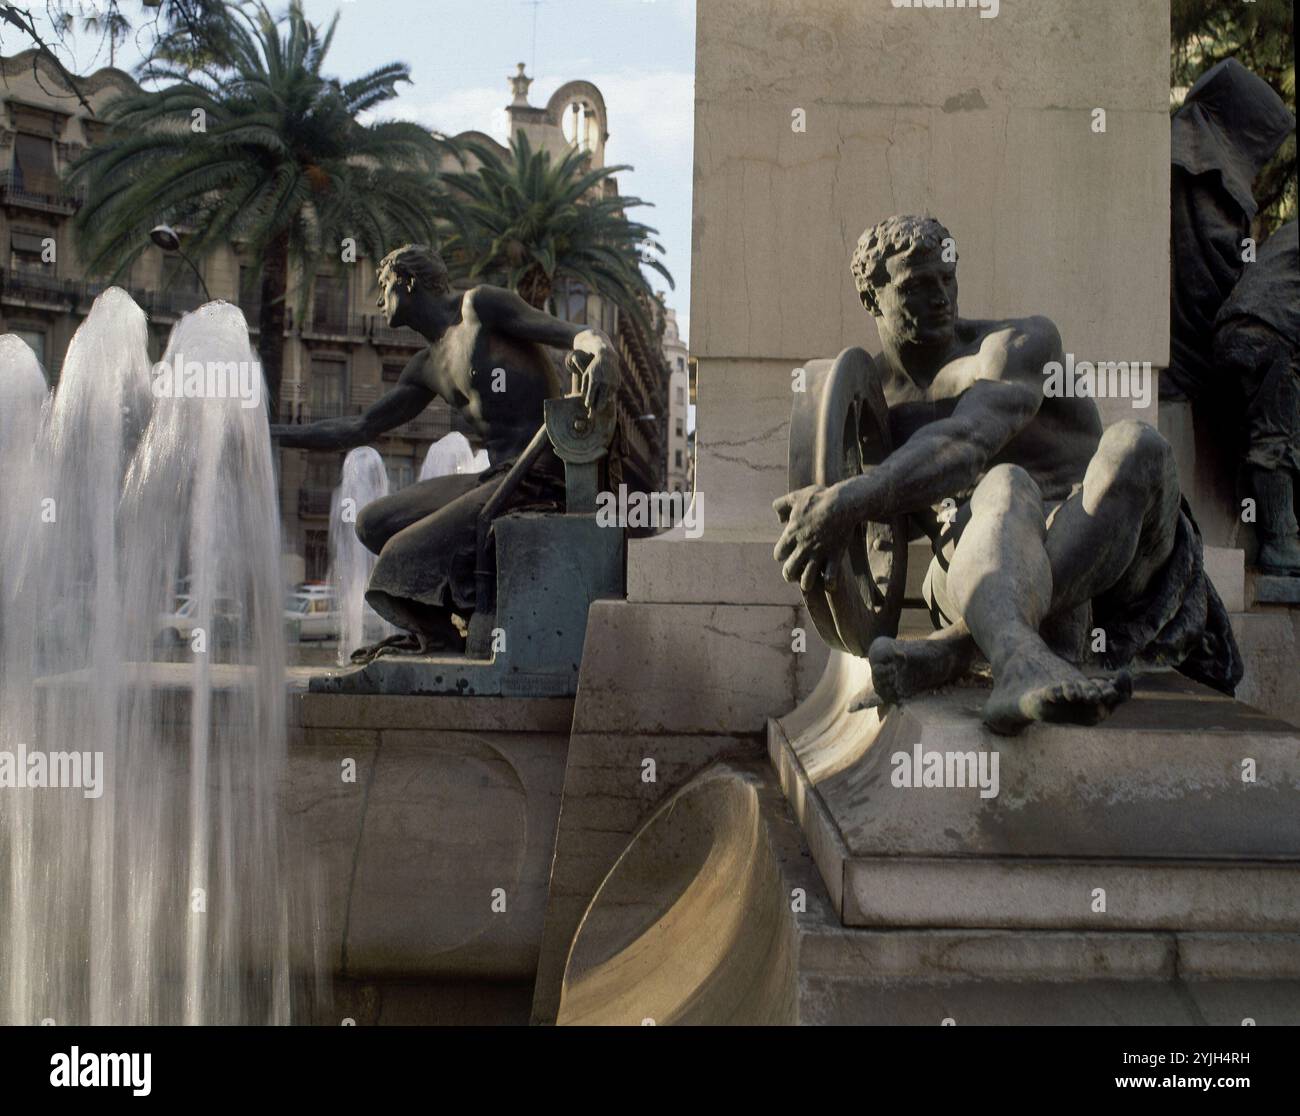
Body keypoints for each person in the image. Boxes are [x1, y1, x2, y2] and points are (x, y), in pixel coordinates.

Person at [774, 215, 1241, 735]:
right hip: (978, 560)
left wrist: (851, 498)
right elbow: (876, 553)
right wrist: (829, 518)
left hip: (1100, 549)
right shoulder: (872, 413)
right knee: (1005, 483)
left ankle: (960, 648)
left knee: (1139, 444)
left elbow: (968, 443)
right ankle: (1018, 654)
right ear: (871, 298)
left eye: (947, 279)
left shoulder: (1018, 343)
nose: (940, 298)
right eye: (915, 286)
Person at [271, 244, 618, 658]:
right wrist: (271, 434)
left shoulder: (480, 307)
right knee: (373, 524)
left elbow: (570, 332)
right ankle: (444, 631)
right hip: (497, 478)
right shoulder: (424, 366)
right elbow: (358, 428)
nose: (379, 301)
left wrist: (603, 351)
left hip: (539, 471)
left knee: (399, 557)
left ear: (409, 282)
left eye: (384, 287)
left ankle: (438, 636)